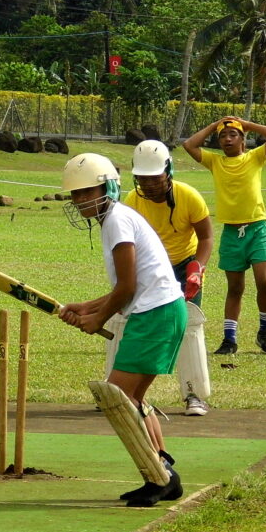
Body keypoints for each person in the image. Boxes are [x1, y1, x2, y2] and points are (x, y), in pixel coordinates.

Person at [58, 152, 188, 507]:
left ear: (108, 187)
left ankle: (158, 476)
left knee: (117, 397)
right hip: (160, 311)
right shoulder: (116, 218)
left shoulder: (116, 220)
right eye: (76, 194)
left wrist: (97, 320)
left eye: (88, 191)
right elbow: (128, 287)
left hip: (157, 314)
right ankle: (162, 474)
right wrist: (87, 307)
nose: (82, 200)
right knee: (131, 399)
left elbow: (128, 288)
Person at [103, 140, 214, 416]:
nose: (149, 184)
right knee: (126, 324)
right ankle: (115, 392)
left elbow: (207, 237)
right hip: (149, 271)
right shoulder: (131, 201)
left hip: (183, 266)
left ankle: (194, 395)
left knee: (188, 326)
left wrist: (197, 269)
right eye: (142, 178)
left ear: (169, 171)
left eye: (154, 178)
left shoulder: (189, 196)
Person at [182, 115, 266, 355]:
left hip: (257, 228)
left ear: (242, 140)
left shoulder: (254, 157)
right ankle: (229, 339)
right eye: (222, 136)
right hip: (231, 232)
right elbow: (189, 145)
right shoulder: (215, 162)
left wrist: (247, 125)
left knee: (265, 282)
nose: (227, 139)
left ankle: (265, 332)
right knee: (235, 288)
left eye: (233, 135)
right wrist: (213, 124)